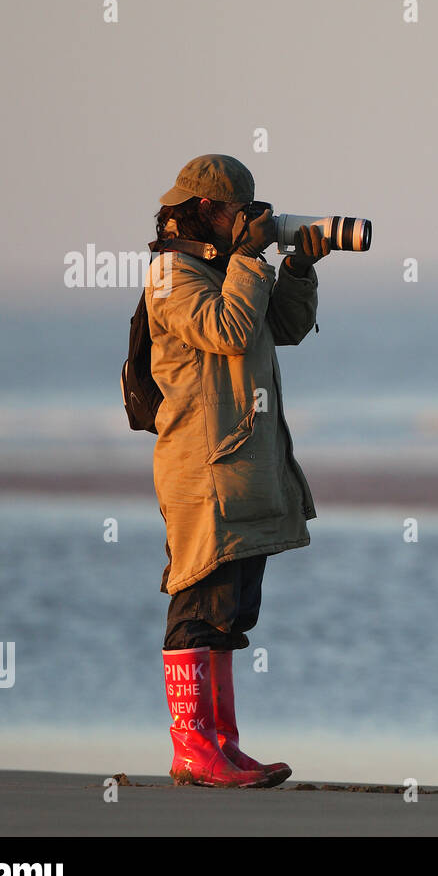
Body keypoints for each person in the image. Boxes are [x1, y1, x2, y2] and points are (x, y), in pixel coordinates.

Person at [146, 154, 331, 787]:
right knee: (198, 600)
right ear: (204, 210)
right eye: (238, 212)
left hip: (239, 466)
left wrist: (297, 265)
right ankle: (192, 748)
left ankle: (220, 743)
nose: (248, 221)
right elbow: (225, 329)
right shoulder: (172, 276)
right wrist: (251, 260)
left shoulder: (226, 268)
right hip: (201, 471)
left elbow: (284, 326)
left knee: (232, 609)